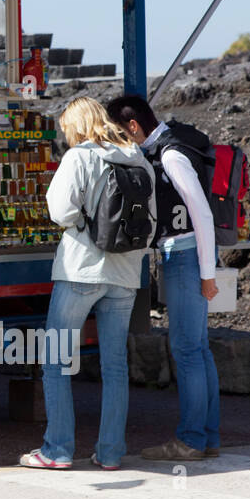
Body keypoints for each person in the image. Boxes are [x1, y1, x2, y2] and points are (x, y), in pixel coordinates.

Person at [20, 97, 155, 470]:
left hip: (81, 270)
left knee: (56, 362)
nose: (65, 136)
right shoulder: (139, 158)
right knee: (115, 366)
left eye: (67, 129)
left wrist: (81, 220)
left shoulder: (79, 157)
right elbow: (151, 224)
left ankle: (58, 450)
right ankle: (110, 453)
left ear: (77, 126)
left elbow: (60, 210)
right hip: (125, 276)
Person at [106, 94, 219, 462]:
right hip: (190, 257)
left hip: (186, 257)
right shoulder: (172, 146)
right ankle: (207, 436)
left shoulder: (170, 155)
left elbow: (201, 213)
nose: (120, 140)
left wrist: (207, 274)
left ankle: (190, 440)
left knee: (187, 350)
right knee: (198, 349)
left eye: (119, 133)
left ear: (133, 127)